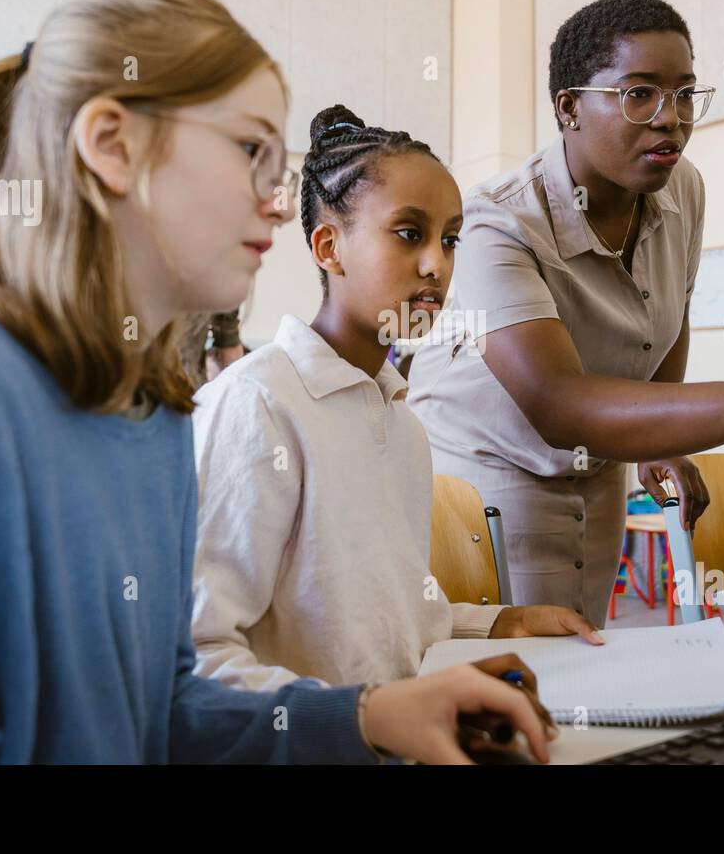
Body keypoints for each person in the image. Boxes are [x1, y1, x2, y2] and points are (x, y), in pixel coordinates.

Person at [0, 0, 552, 765]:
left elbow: (168, 711)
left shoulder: (153, 412)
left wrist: (368, 716)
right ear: (113, 145)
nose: (280, 205)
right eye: (250, 151)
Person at [408, 0, 724, 625]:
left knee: (585, 642)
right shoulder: (498, 221)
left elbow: (669, 318)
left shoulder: (683, 187)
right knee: (517, 658)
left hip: (598, 464)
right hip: (491, 464)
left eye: (685, 94)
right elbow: (557, 403)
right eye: (639, 93)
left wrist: (662, 441)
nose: (670, 118)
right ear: (569, 109)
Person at [190, 105, 601, 692]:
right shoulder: (257, 405)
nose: (437, 264)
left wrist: (500, 624)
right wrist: (364, 722)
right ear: (329, 247)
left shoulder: (400, 420)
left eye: (450, 239)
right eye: (410, 233)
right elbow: (198, 652)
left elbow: (391, 622)